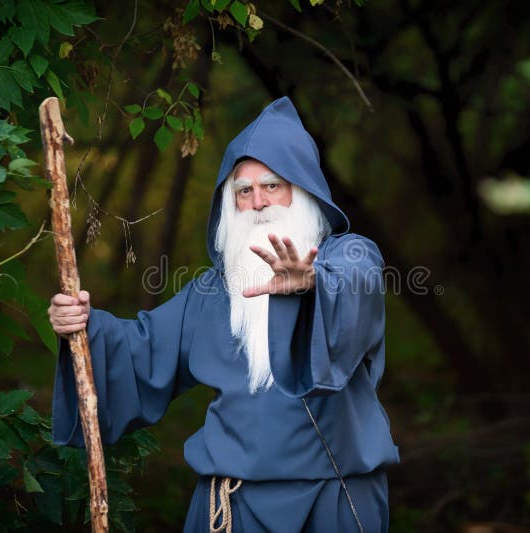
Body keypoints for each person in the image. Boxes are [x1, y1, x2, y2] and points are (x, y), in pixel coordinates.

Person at [49, 97, 399, 532]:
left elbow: (355, 286)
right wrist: (83, 325)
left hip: (334, 500)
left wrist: (310, 284)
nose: (257, 201)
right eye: (243, 190)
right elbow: (137, 350)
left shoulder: (348, 255)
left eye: (272, 185)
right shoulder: (210, 292)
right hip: (232, 507)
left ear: (302, 188)